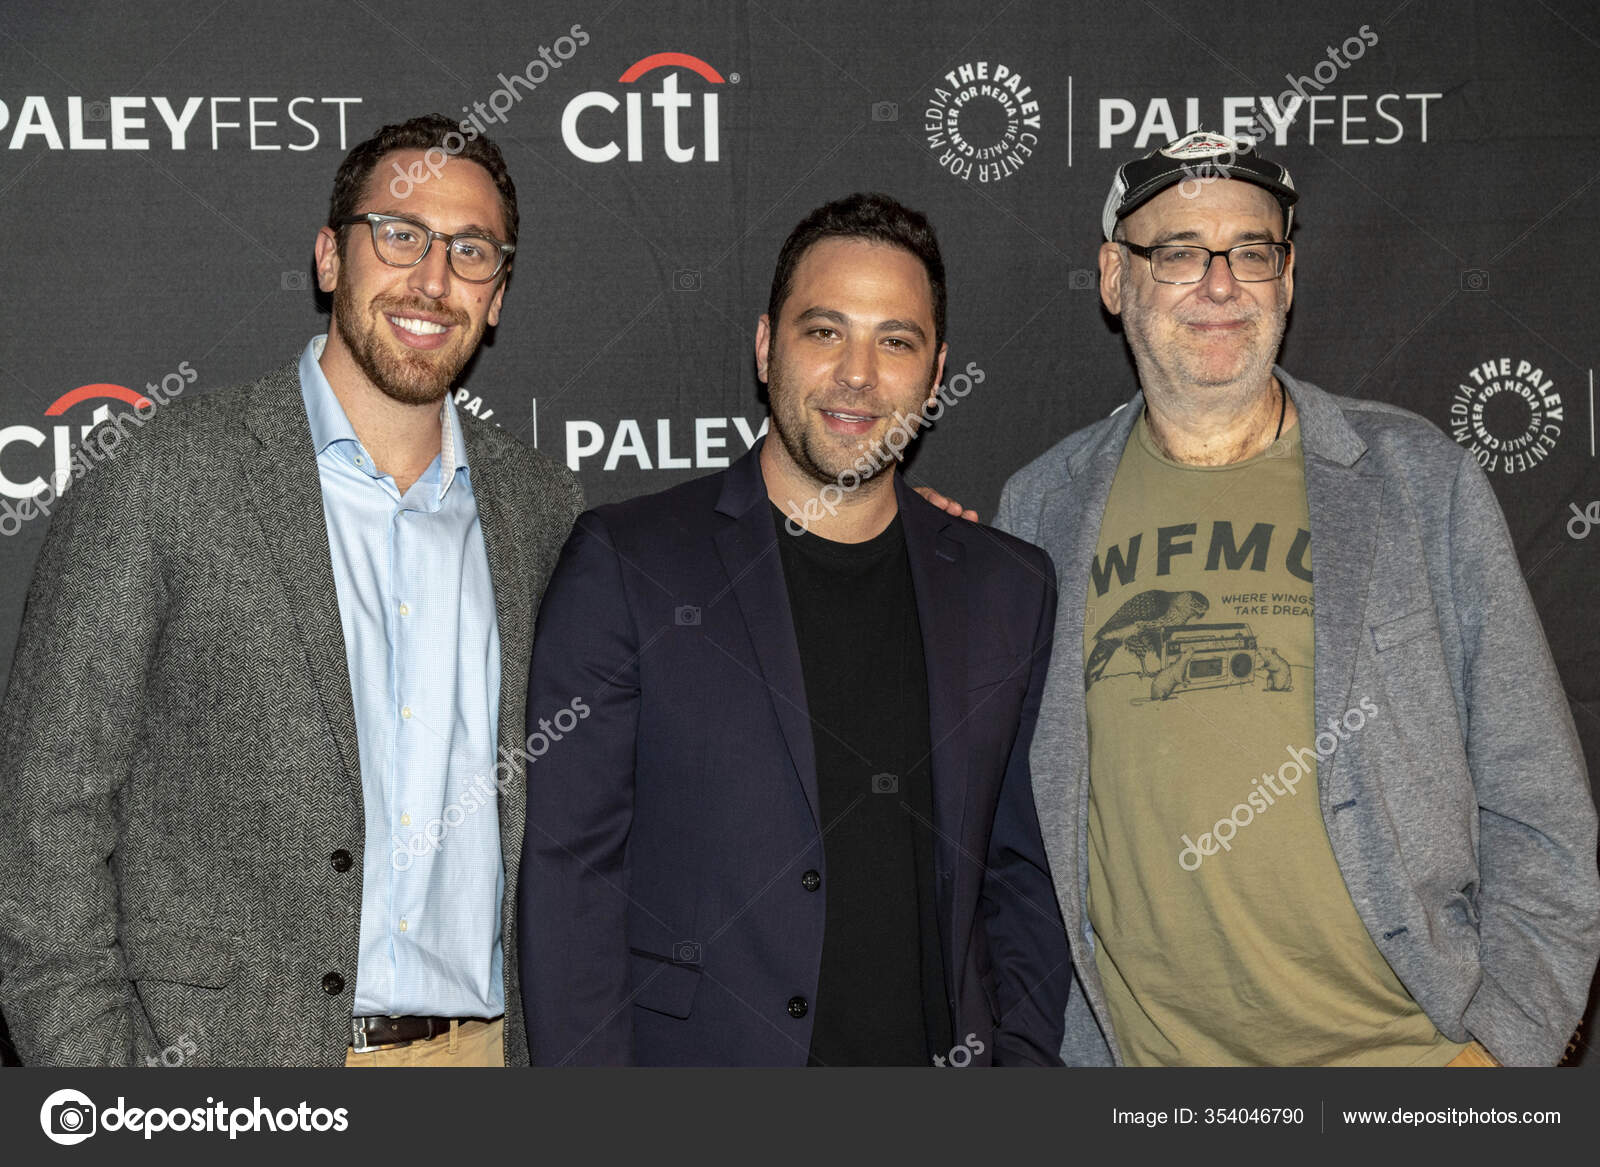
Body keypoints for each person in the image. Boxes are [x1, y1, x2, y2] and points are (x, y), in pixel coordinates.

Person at [992, 130, 1600, 1067]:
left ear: (1288, 275)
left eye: (1253, 251)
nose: (1222, 283)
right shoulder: (1041, 508)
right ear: (1116, 278)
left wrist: (1504, 1050)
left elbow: (1539, 804)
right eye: (1181, 251)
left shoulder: (1417, 482)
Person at [0, 114, 582, 1067]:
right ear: (328, 257)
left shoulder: (543, 509)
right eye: (399, 234)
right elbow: (44, 816)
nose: (433, 279)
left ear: (499, 293)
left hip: (490, 1057)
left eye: (470, 251)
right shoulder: (163, 476)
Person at [519, 193, 1071, 1066]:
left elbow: (1023, 877)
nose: (859, 374)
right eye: (825, 331)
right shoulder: (632, 563)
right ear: (767, 344)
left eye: (896, 340)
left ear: (937, 374)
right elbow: (571, 882)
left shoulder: (1010, 587)